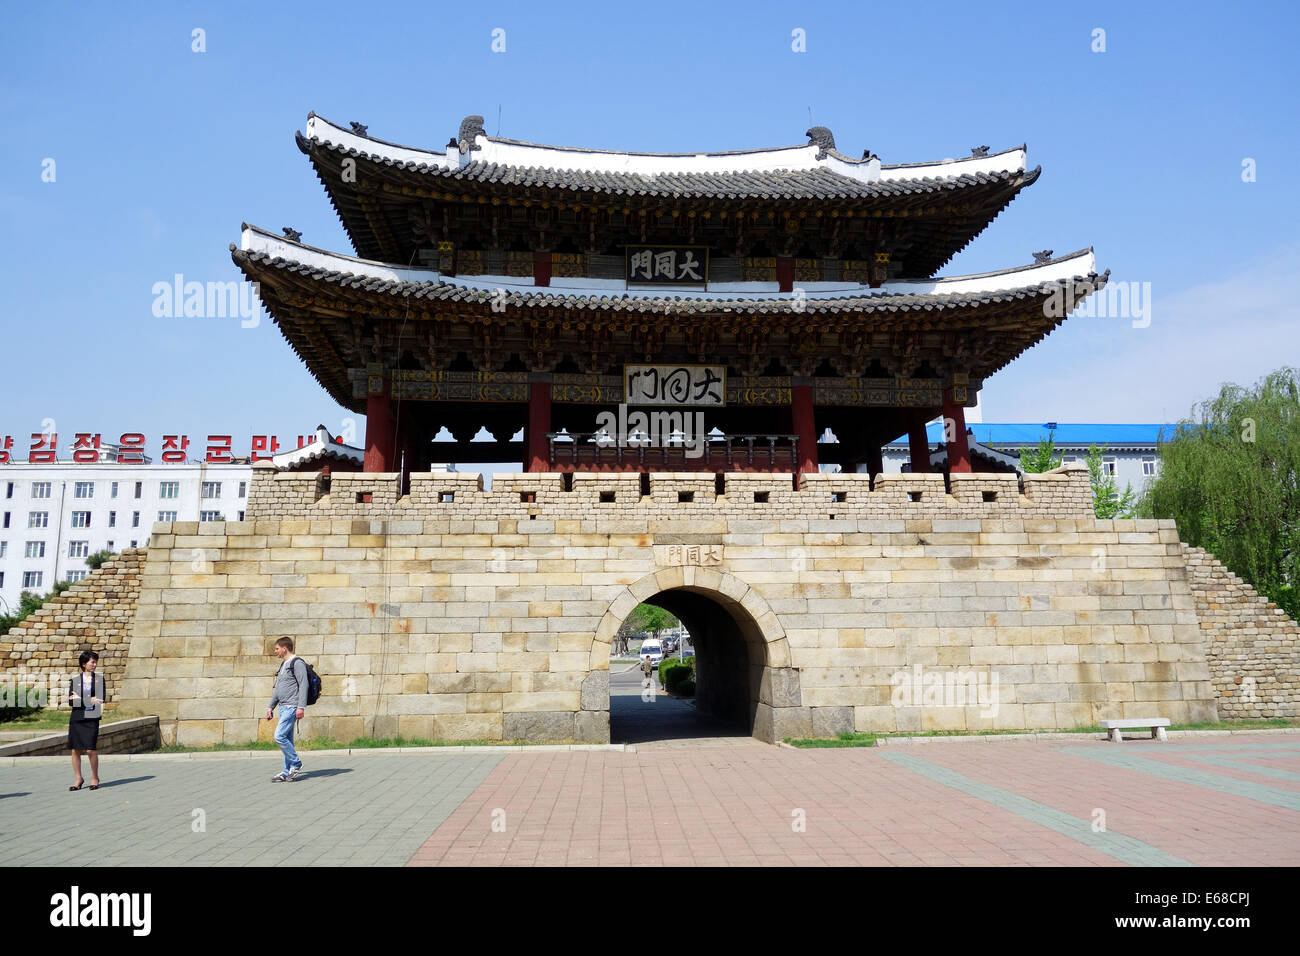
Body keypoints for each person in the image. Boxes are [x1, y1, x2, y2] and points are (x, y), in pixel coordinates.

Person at [264, 637, 308, 782]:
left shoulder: (297, 663)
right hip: (283, 707)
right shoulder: (284, 664)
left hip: (292, 706)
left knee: (279, 736)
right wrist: (270, 707)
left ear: (284, 648)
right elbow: (278, 689)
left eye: (277, 648)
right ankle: (287, 771)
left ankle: (296, 763)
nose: (275, 651)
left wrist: (301, 707)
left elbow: (304, 685)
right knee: (287, 739)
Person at [67, 650, 105, 791]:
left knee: (90, 749)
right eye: (92, 662)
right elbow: (71, 702)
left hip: (92, 718)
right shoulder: (75, 680)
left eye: (96, 662)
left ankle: (95, 777)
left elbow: (100, 700)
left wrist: (80, 699)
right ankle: (78, 778)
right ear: (84, 664)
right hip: (77, 718)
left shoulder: (100, 680)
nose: (94, 664)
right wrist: (89, 699)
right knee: (75, 749)